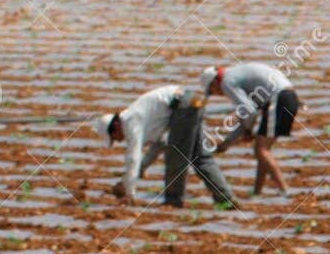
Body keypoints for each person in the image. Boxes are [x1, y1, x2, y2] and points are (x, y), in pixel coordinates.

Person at [101, 86, 235, 208]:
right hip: (192, 100)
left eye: (114, 139)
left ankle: (173, 202)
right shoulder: (141, 118)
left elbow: (133, 158)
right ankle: (226, 198)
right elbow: (161, 144)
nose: (118, 141)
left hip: (183, 105)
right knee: (200, 157)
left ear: (115, 127)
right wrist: (136, 173)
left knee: (176, 158)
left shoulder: (131, 122)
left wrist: (129, 193)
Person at [200, 63, 299, 195]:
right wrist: (227, 143)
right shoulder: (235, 75)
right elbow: (245, 116)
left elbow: (250, 112)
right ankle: (257, 192)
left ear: (215, 83)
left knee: (261, 150)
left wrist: (248, 131)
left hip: (279, 99)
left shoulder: (226, 82)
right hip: (287, 97)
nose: (217, 94)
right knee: (261, 149)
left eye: (212, 91)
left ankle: (285, 190)